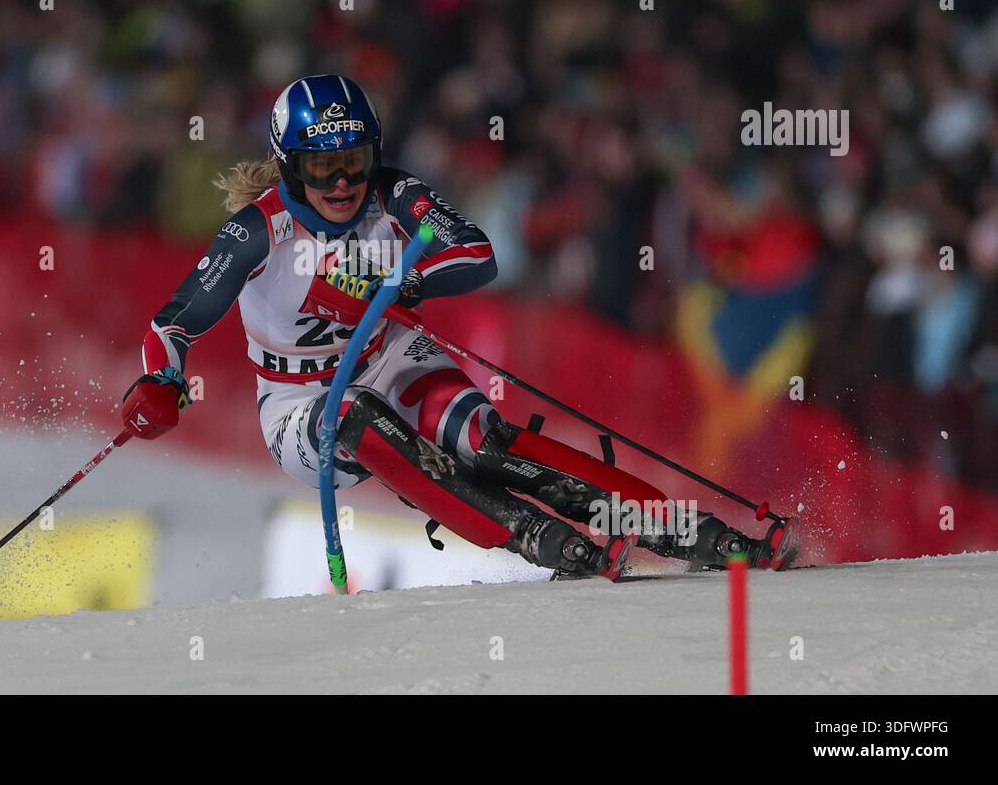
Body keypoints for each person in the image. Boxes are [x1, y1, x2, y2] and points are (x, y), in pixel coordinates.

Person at [121, 74, 785, 578]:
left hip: (387, 355)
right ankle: (541, 537)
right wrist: (160, 381)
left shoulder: (393, 192)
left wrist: (403, 282)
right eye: (325, 166)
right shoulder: (256, 231)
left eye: (355, 158)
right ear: (292, 163)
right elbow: (172, 325)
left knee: (483, 438)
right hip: (299, 403)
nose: (344, 180)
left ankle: (690, 532)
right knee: (351, 418)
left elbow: (477, 254)